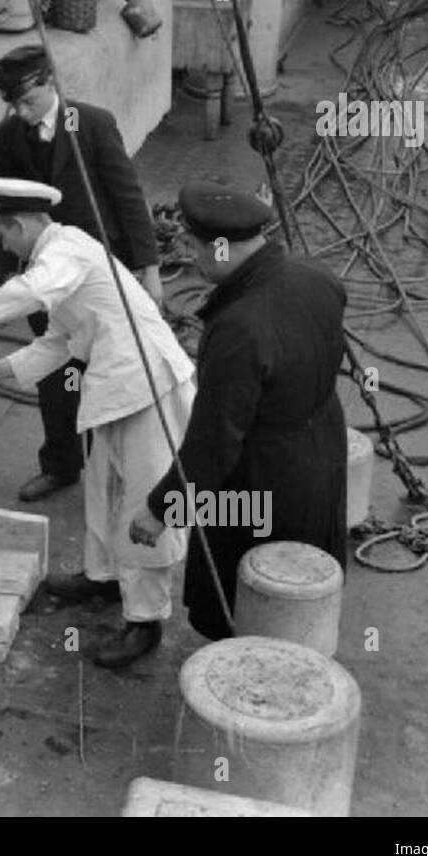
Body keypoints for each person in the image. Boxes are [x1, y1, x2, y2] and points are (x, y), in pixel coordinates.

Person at [0, 178, 196, 669]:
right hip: (115, 389)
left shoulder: (65, 253)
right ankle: (103, 580)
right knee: (102, 493)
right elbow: (58, 342)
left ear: (19, 225)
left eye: (4, 236)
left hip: (149, 387)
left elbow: (32, 289)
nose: (5, 247)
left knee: (144, 502)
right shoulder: (62, 262)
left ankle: (145, 622)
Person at [130, 180, 349, 641]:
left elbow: (213, 442)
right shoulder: (317, 277)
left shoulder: (240, 328)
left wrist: (161, 508)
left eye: (195, 247)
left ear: (224, 247)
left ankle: (252, 667)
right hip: (323, 448)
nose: (191, 258)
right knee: (299, 579)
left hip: (264, 475)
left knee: (251, 589)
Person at [0, 44, 163, 504]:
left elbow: (128, 197)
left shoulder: (92, 124)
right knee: (55, 377)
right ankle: (61, 465)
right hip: (47, 279)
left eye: (29, 101)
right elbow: (9, 214)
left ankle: (116, 475)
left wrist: (149, 269)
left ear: (51, 84)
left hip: (97, 276)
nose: (23, 114)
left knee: (106, 379)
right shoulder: (10, 134)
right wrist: (8, 279)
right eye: (15, 105)